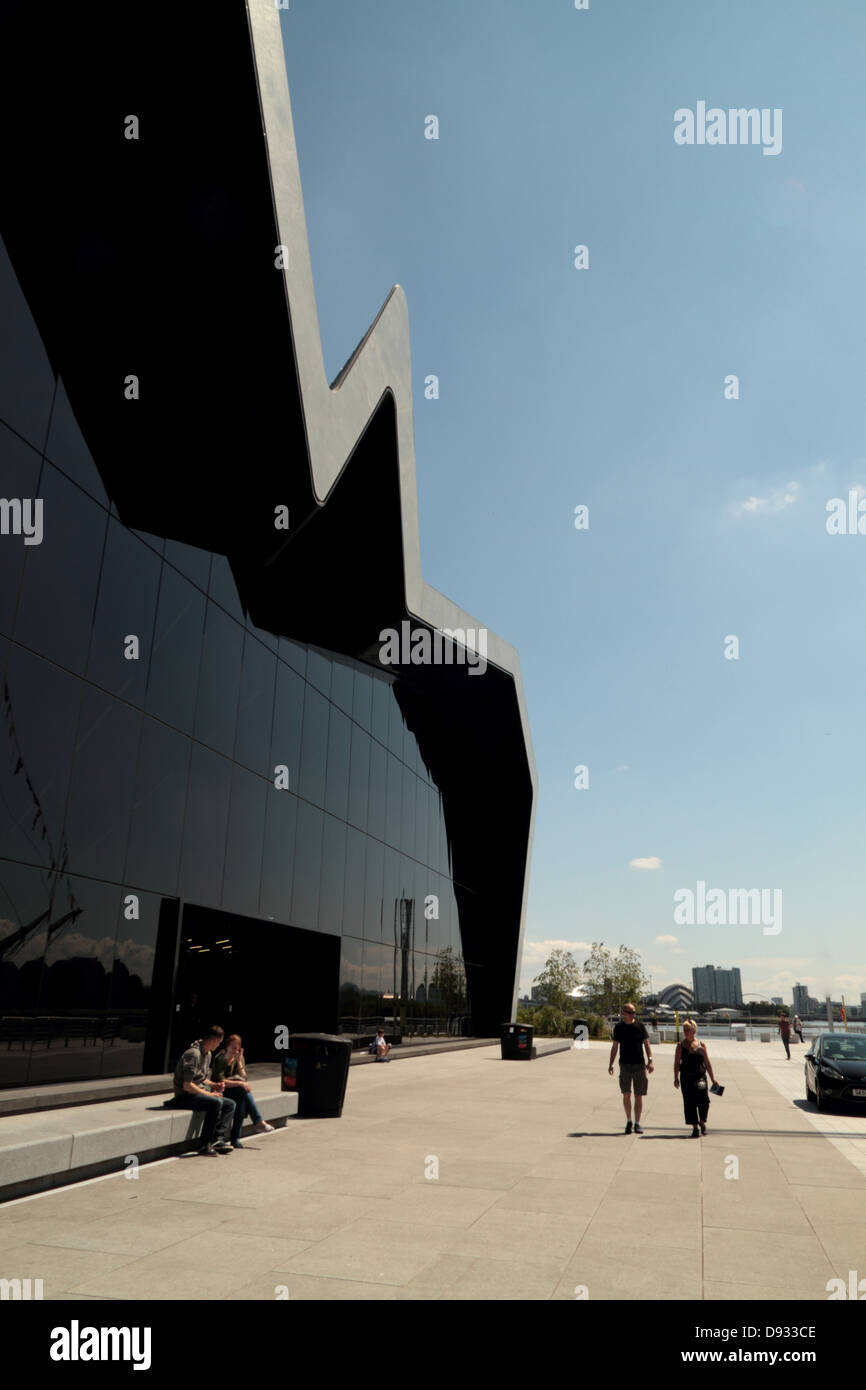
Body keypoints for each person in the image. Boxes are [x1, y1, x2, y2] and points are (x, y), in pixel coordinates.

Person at [172, 1025, 236, 1155]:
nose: (219, 1045)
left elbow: (201, 1078)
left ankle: (218, 1139)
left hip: (196, 1093)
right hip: (184, 1096)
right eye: (219, 1042)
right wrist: (209, 1094)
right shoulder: (193, 1054)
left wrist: (214, 1085)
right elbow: (187, 1085)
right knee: (216, 1102)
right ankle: (204, 1144)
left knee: (230, 1104)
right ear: (213, 1040)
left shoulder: (208, 1054)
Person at [211, 1033, 275, 1147]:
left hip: (234, 1090)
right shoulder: (220, 1058)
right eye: (232, 1047)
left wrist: (240, 1062)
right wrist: (240, 1083)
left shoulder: (238, 1057)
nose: (235, 1050)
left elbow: (244, 1077)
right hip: (220, 1089)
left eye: (237, 1048)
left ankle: (236, 1138)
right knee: (242, 1091)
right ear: (227, 1047)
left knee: (242, 1097)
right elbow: (221, 1080)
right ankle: (256, 1123)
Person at [608, 1002, 654, 1133]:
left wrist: (650, 1061)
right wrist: (611, 1063)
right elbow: (615, 1046)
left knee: (638, 1095)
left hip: (639, 1065)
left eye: (634, 1012)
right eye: (630, 1012)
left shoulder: (640, 1027)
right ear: (624, 1013)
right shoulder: (619, 1028)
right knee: (626, 1094)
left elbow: (647, 1044)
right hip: (625, 1065)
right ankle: (629, 1121)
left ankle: (637, 1123)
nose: (633, 1014)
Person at [674, 1019, 717, 1136]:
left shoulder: (701, 1045)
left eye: (688, 1030)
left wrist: (713, 1078)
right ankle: (695, 1127)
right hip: (686, 1079)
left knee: (704, 1101)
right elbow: (677, 1063)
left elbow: (707, 1063)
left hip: (701, 1078)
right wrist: (676, 1078)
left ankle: (702, 1122)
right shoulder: (680, 1046)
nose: (686, 1032)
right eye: (685, 1030)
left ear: (694, 1030)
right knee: (689, 1103)